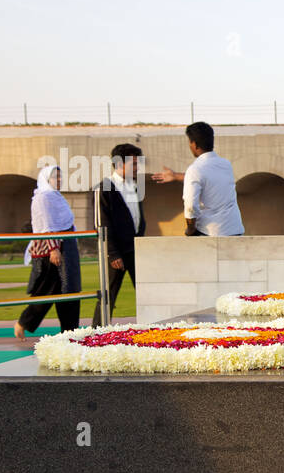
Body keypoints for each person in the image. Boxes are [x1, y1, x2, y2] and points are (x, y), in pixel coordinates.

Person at [15, 165, 80, 339]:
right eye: (55, 177)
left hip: (66, 248)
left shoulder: (56, 196)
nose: (59, 180)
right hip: (49, 252)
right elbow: (45, 225)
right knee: (47, 291)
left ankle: (70, 332)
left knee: (69, 291)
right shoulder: (42, 198)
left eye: (60, 177)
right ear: (46, 179)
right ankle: (23, 322)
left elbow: (66, 223)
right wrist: (54, 248)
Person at [153, 122, 245, 236]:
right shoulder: (226, 164)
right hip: (235, 230)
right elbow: (209, 178)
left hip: (211, 233)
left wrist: (190, 229)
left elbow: (191, 206)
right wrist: (175, 176)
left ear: (195, 145)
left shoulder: (195, 169)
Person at [91, 143, 146, 326]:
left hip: (135, 249)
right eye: (134, 164)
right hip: (116, 253)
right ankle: (96, 334)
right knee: (108, 296)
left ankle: (153, 330)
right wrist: (112, 253)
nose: (138, 168)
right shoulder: (104, 188)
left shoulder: (134, 186)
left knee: (146, 293)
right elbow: (101, 224)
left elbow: (138, 217)